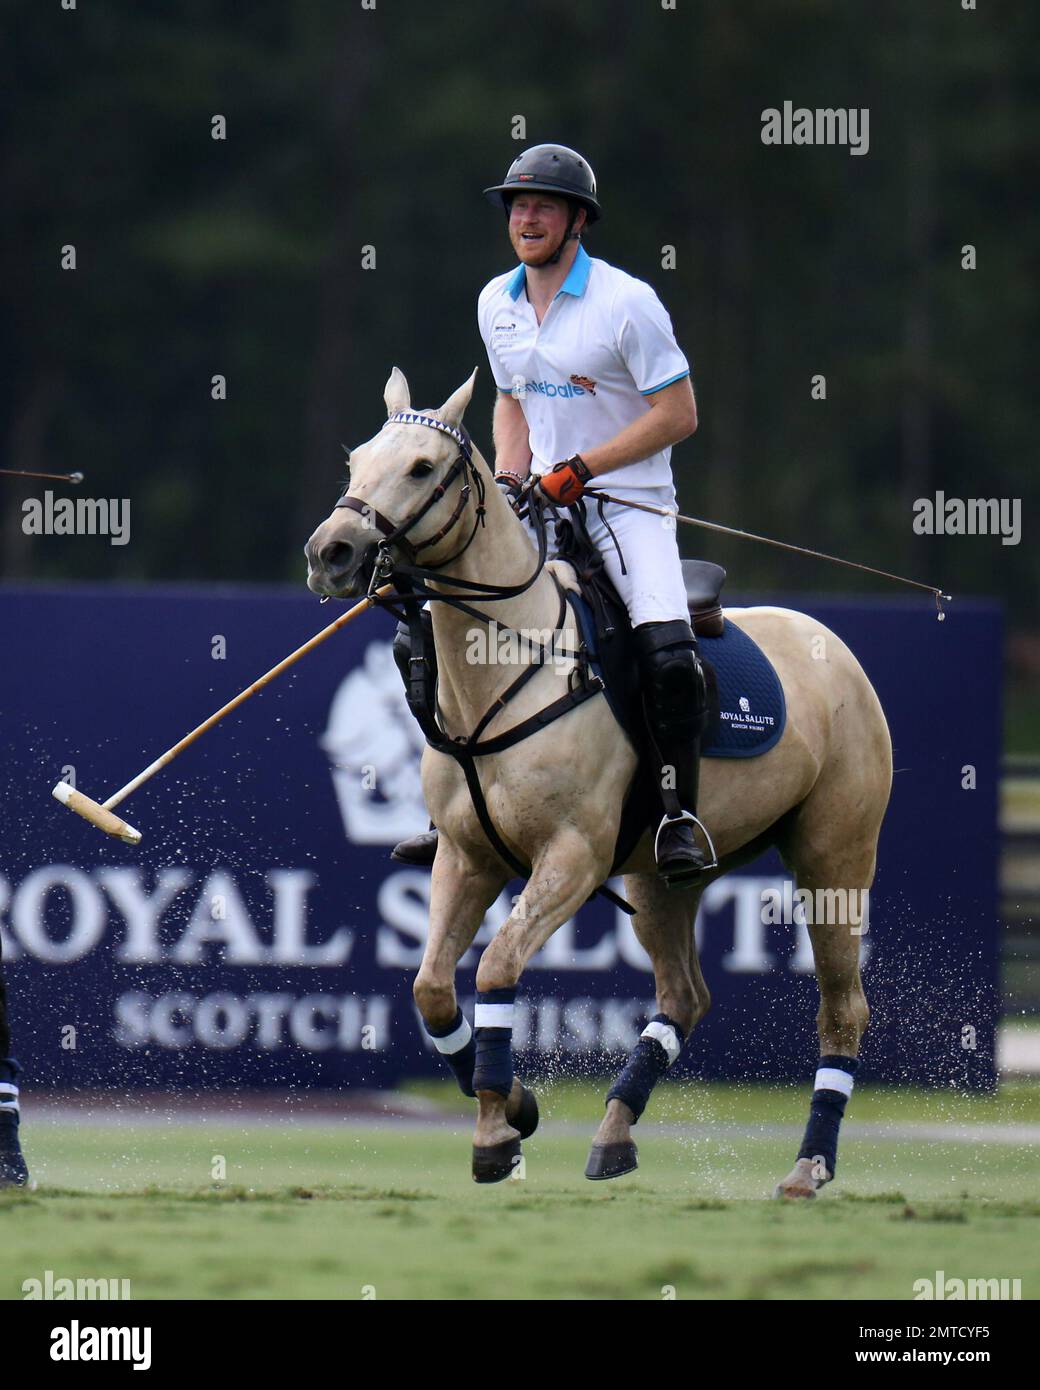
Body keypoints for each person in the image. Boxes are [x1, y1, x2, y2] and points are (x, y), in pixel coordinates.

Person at [391, 143, 711, 884]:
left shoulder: (626, 303)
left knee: (667, 654)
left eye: (544, 207)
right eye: (518, 206)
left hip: (629, 508)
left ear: (578, 222)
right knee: (427, 628)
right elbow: (511, 401)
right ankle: (455, 807)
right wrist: (509, 477)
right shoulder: (495, 302)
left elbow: (679, 414)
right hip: (536, 501)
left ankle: (677, 815)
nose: (527, 218)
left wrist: (585, 468)